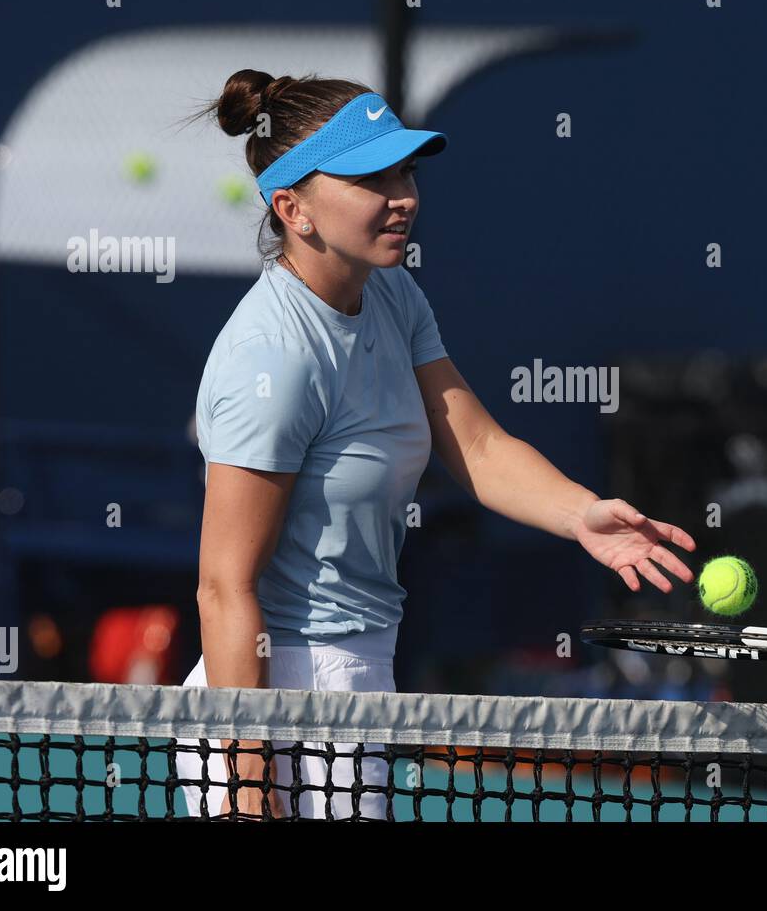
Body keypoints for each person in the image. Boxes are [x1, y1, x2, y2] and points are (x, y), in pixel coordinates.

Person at [177, 70, 696, 819]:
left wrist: (581, 514)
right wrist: (249, 780)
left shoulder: (392, 292)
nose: (405, 196)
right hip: (273, 696)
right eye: (371, 177)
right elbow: (225, 586)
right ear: (293, 208)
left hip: (357, 677)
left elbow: (475, 445)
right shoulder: (272, 359)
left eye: (406, 170)